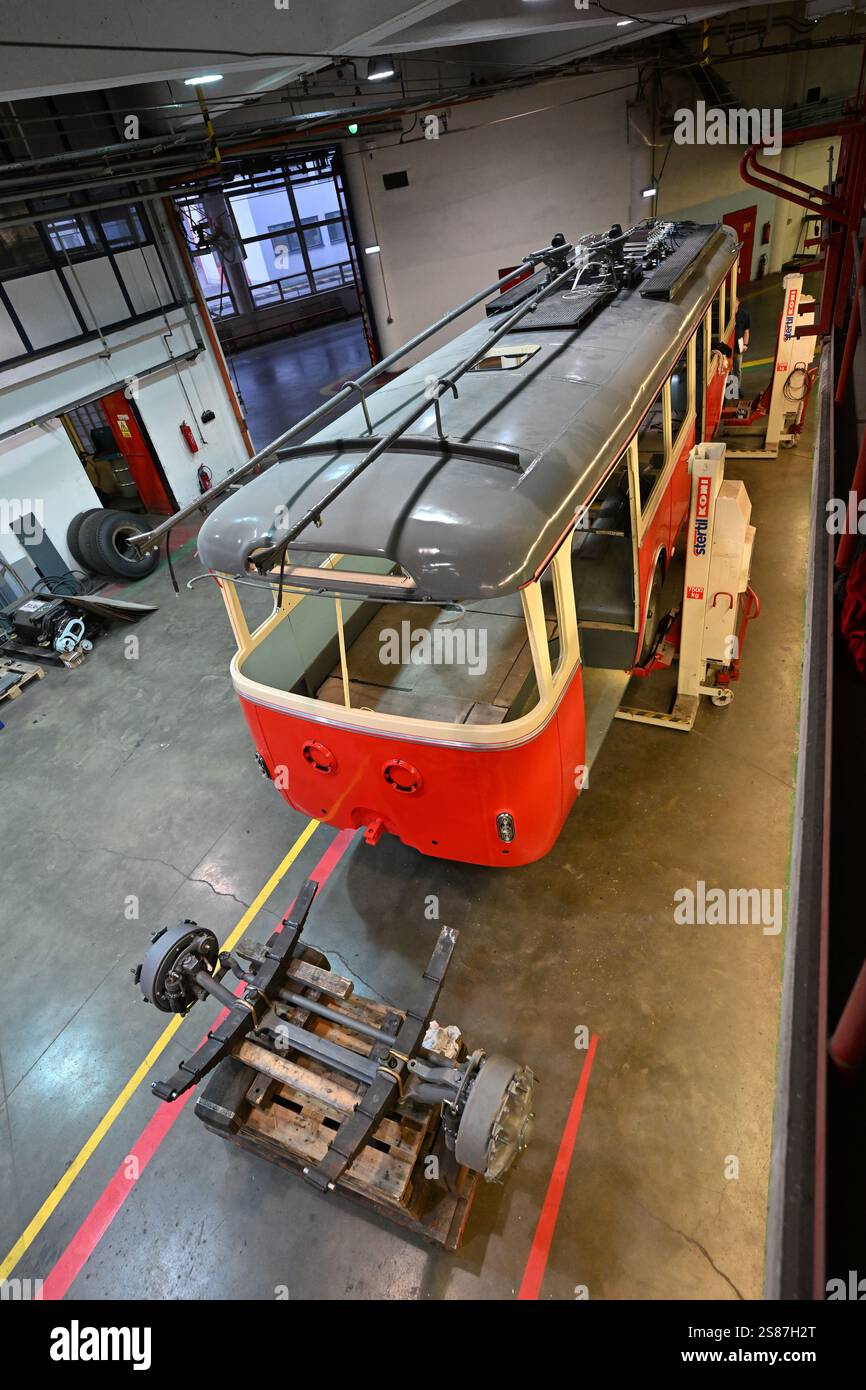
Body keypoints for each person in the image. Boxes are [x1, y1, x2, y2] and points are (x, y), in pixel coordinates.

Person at [734, 297, 750, 379]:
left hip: (738, 345)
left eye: (735, 302)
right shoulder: (727, 314)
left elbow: (746, 331)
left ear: (738, 303)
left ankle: (737, 388)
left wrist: (745, 344)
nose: (733, 304)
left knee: (737, 369)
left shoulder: (744, 314)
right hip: (728, 345)